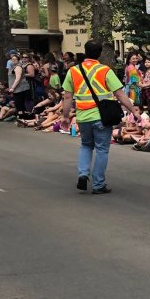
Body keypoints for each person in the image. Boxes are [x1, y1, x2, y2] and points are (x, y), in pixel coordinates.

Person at [60, 39, 140, 195]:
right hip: (102, 117)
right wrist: (133, 111)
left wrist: (65, 116)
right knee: (102, 150)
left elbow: (68, 97)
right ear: (100, 53)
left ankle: (83, 174)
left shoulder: (73, 71)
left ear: (85, 52)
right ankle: (98, 184)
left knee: (86, 146)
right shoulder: (105, 70)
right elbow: (120, 94)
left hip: (83, 116)